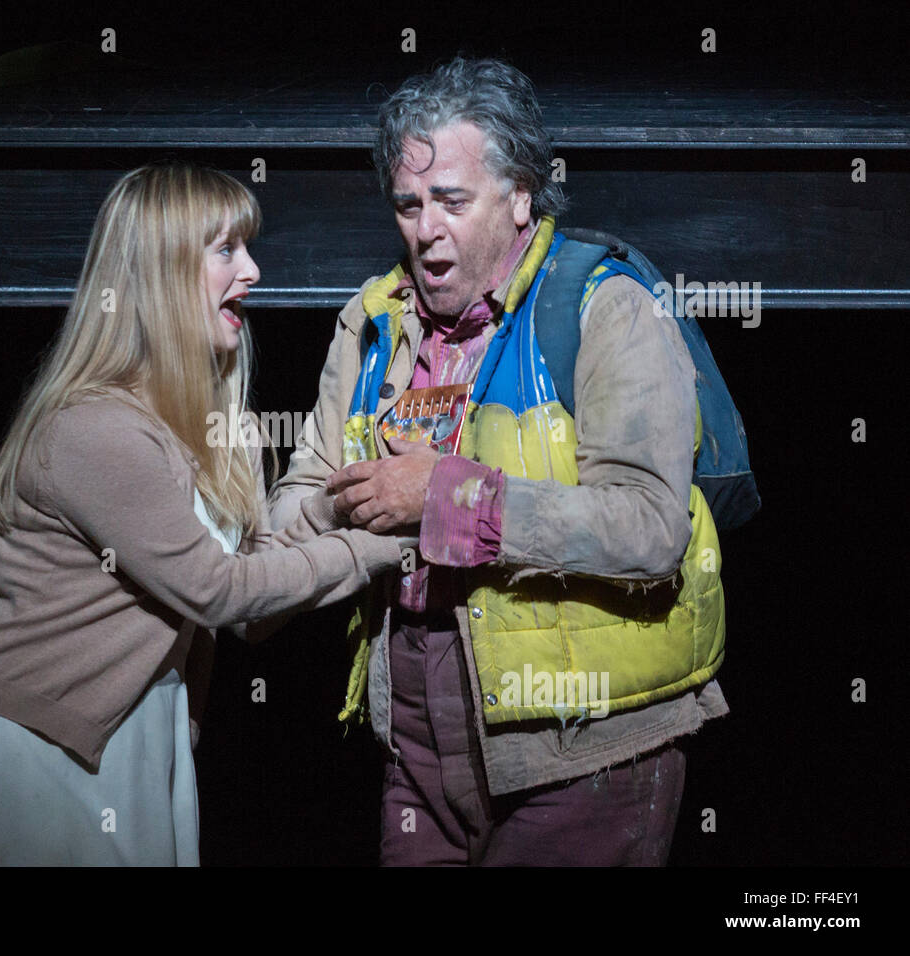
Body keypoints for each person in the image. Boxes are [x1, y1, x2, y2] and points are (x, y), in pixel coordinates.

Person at [267, 57, 728, 866]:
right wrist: (347, 507)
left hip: (582, 750)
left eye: (451, 200)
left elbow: (651, 527)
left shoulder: (606, 308)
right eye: (408, 204)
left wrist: (442, 497)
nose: (424, 229)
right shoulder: (371, 322)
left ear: (520, 196)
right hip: (413, 748)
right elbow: (300, 492)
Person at [0, 162, 409, 866]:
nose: (254, 270)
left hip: (133, 730)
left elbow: (254, 601)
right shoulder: (96, 427)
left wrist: (343, 501)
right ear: (161, 274)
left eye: (247, 247)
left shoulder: (224, 430)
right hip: (29, 738)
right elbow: (220, 593)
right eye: (226, 250)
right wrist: (382, 549)